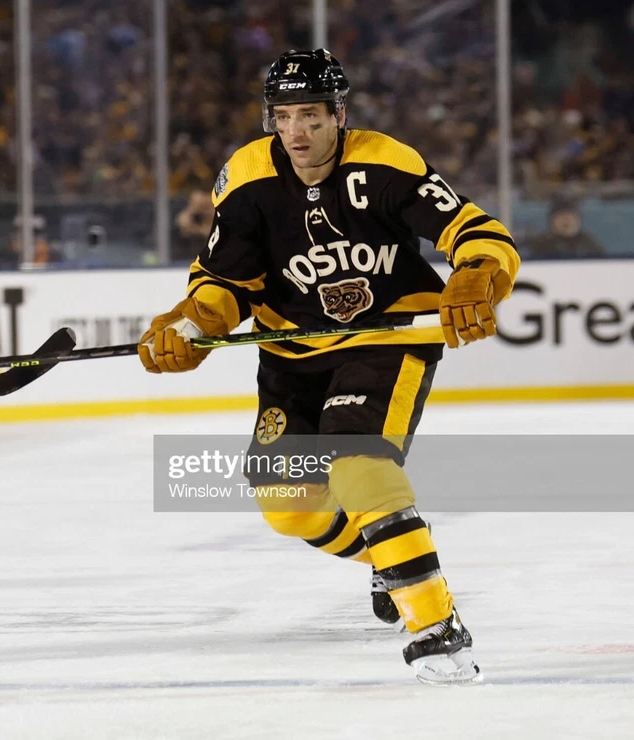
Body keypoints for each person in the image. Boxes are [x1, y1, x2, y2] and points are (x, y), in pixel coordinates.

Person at [138, 49, 521, 685]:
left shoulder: (386, 161)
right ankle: (387, 551)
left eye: (311, 116)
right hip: (292, 351)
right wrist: (190, 324)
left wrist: (479, 276)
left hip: (386, 333)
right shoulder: (247, 177)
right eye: (284, 117)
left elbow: (478, 232)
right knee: (289, 506)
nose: (296, 132)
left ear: (339, 115)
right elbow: (224, 283)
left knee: (357, 461)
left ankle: (436, 625)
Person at [526, 192, 605, 258]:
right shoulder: (542, 244)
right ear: (552, 221)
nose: (567, 221)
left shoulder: (589, 244)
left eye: (571, 216)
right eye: (562, 216)